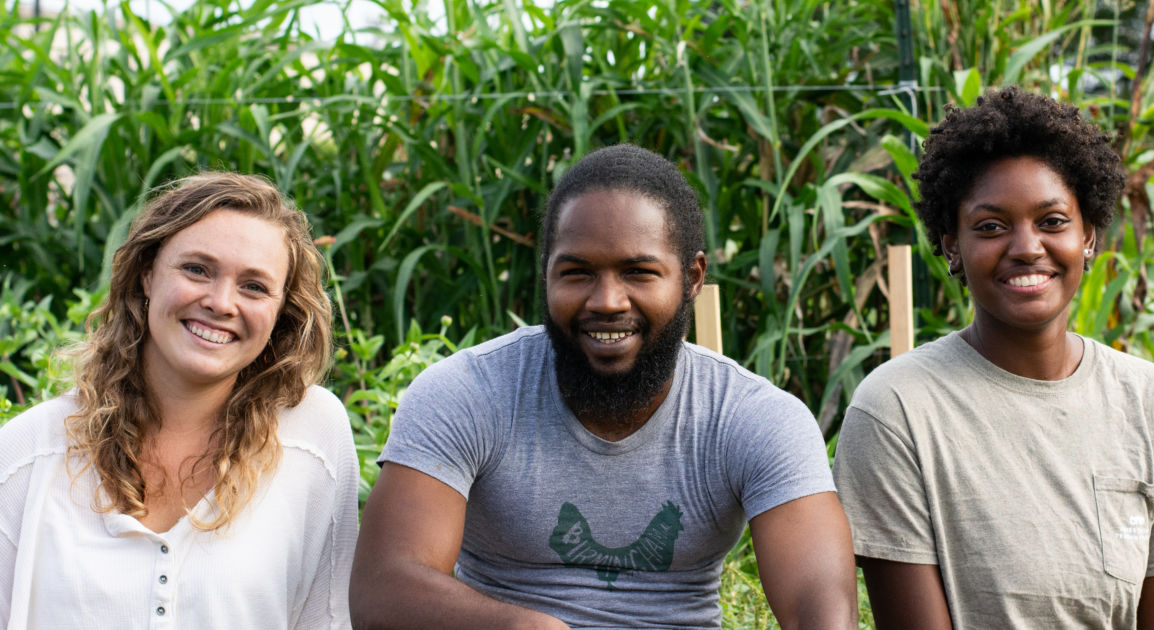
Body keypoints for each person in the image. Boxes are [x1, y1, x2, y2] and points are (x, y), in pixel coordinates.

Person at [350, 144, 857, 629]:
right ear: (546, 274)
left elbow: (819, 609)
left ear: (692, 277)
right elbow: (384, 590)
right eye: (577, 273)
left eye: (639, 272)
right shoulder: (468, 393)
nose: (608, 301)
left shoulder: (755, 418)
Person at [833, 87, 1154, 628]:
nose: (1027, 247)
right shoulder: (897, 411)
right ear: (952, 246)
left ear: (1089, 236)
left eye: (1052, 221)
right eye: (991, 227)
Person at [0, 173, 358, 629]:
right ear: (147, 274)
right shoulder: (28, 454)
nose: (221, 302)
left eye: (254, 286)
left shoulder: (313, 437)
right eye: (197, 270)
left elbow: (327, 619)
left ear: (281, 310)